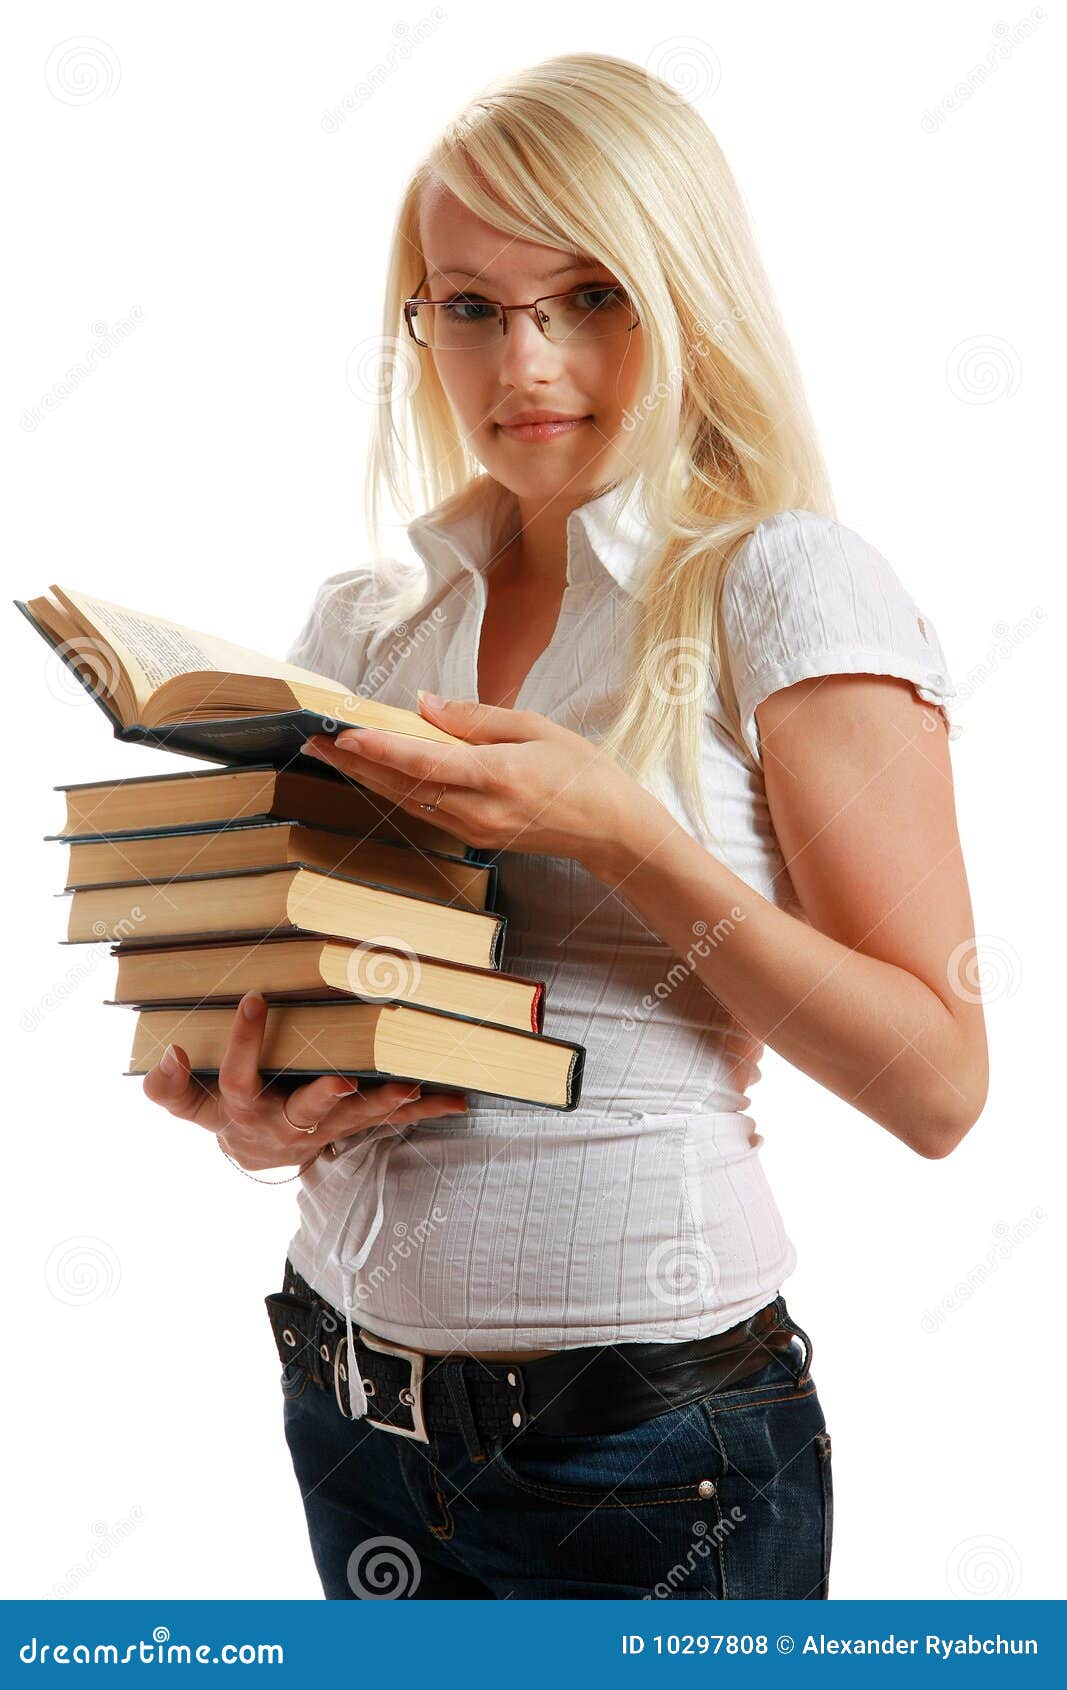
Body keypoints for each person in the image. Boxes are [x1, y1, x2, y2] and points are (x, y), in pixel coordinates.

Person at [141, 52, 988, 1600]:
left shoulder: (781, 584)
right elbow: (299, 998)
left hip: (656, 1452)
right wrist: (252, 1110)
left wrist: (625, 836)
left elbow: (940, 1084)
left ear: (683, 297)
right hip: (348, 1405)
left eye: (588, 294)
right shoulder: (366, 621)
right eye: (468, 305)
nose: (523, 359)